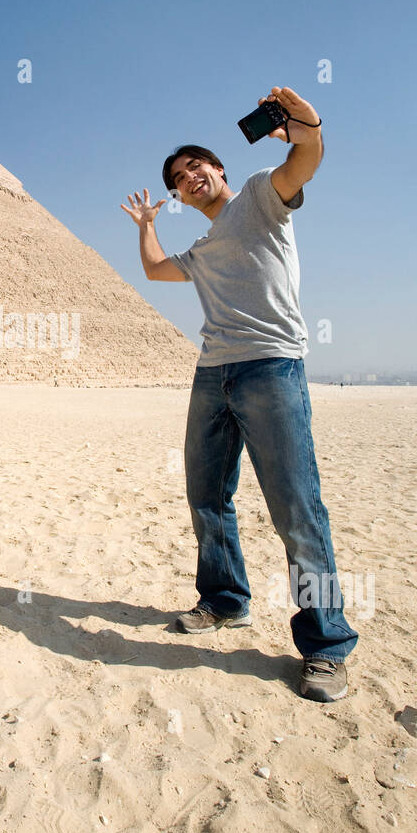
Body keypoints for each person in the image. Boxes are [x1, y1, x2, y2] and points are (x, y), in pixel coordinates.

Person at [120, 85, 357, 702]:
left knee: (297, 510)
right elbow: (152, 270)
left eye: (196, 165)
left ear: (219, 169)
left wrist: (305, 124)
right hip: (213, 374)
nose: (189, 176)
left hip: (271, 369)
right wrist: (146, 225)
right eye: (178, 178)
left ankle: (327, 646)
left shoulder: (258, 193)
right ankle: (226, 602)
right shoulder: (199, 250)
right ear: (176, 196)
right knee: (206, 495)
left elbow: (306, 161)